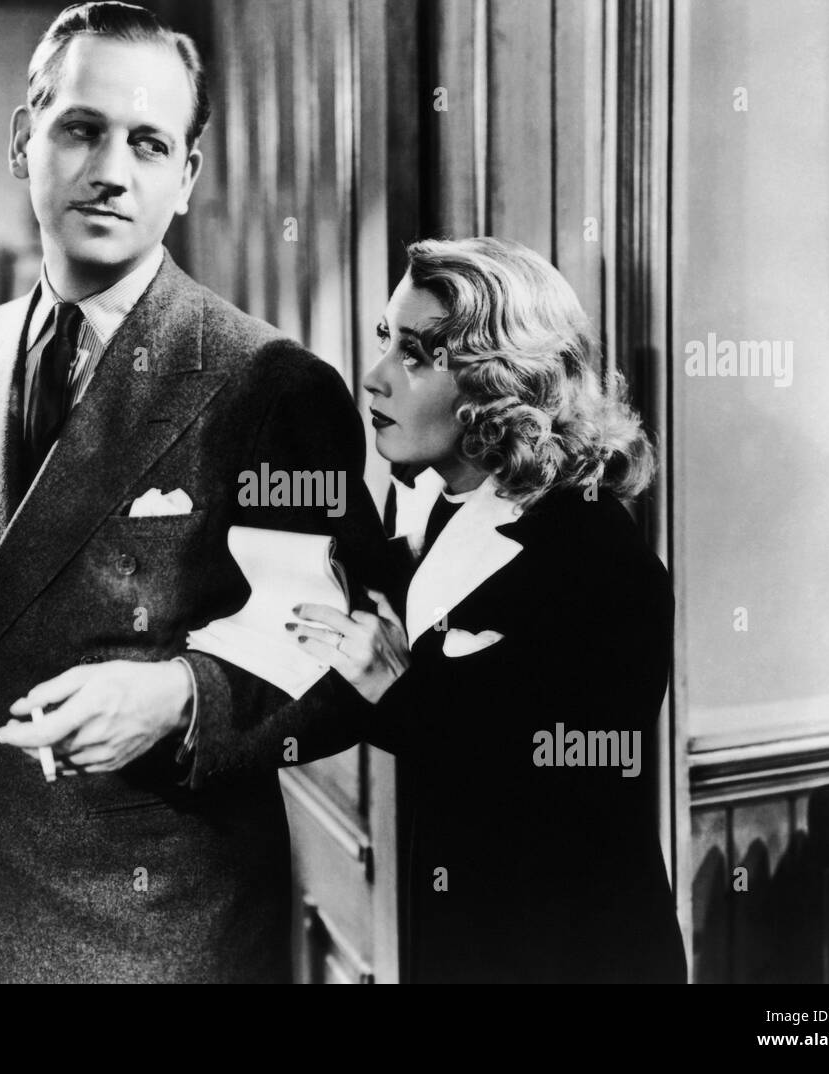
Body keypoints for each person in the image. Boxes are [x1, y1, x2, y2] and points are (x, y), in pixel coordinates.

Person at [0, 1, 392, 983]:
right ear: (26, 142)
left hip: (165, 921)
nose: (111, 171)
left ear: (185, 175)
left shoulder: (264, 382)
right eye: (81, 129)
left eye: (148, 142)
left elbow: (358, 646)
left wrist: (180, 695)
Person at [294, 236, 688, 983]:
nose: (373, 380)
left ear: (497, 383)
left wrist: (402, 692)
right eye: (386, 340)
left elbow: (575, 777)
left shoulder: (604, 562)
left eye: (415, 355)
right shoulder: (432, 504)